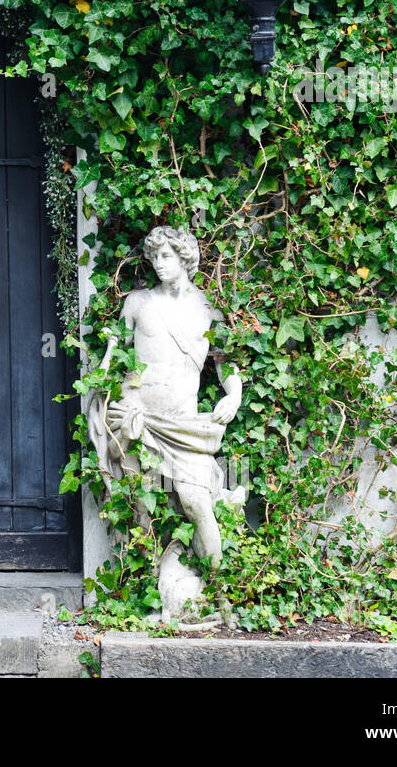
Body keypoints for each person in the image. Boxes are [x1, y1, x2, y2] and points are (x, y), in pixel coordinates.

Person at [88, 226, 243, 570]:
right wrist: (104, 381)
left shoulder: (207, 309)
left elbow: (224, 362)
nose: (159, 263)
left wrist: (234, 395)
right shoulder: (137, 303)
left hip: (183, 425)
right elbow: (112, 359)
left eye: (166, 256)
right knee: (140, 506)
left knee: (196, 502)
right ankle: (149, 580)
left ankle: (216, 584)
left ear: (184, 258)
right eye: (154, 257)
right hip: (137, 418)